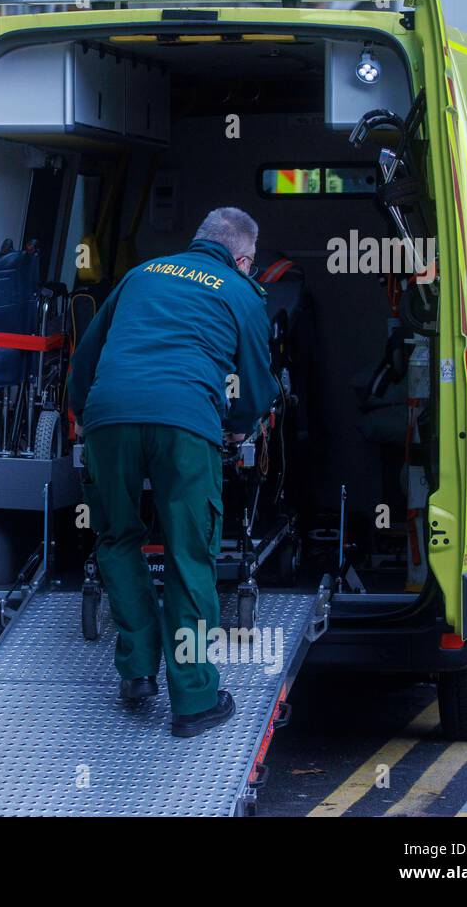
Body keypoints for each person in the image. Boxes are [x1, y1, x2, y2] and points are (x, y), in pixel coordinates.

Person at [68, 207, 278, 738]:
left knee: (117, 538)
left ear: (198, 239)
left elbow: (85, 360)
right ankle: (194, 700)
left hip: (108, 416)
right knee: (189, 556)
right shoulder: (241, 293)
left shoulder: (142, 275)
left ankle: (138, 672)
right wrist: (235, 426)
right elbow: (255, 386)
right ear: (245, 258)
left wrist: (87, 416)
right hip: (185, 425)